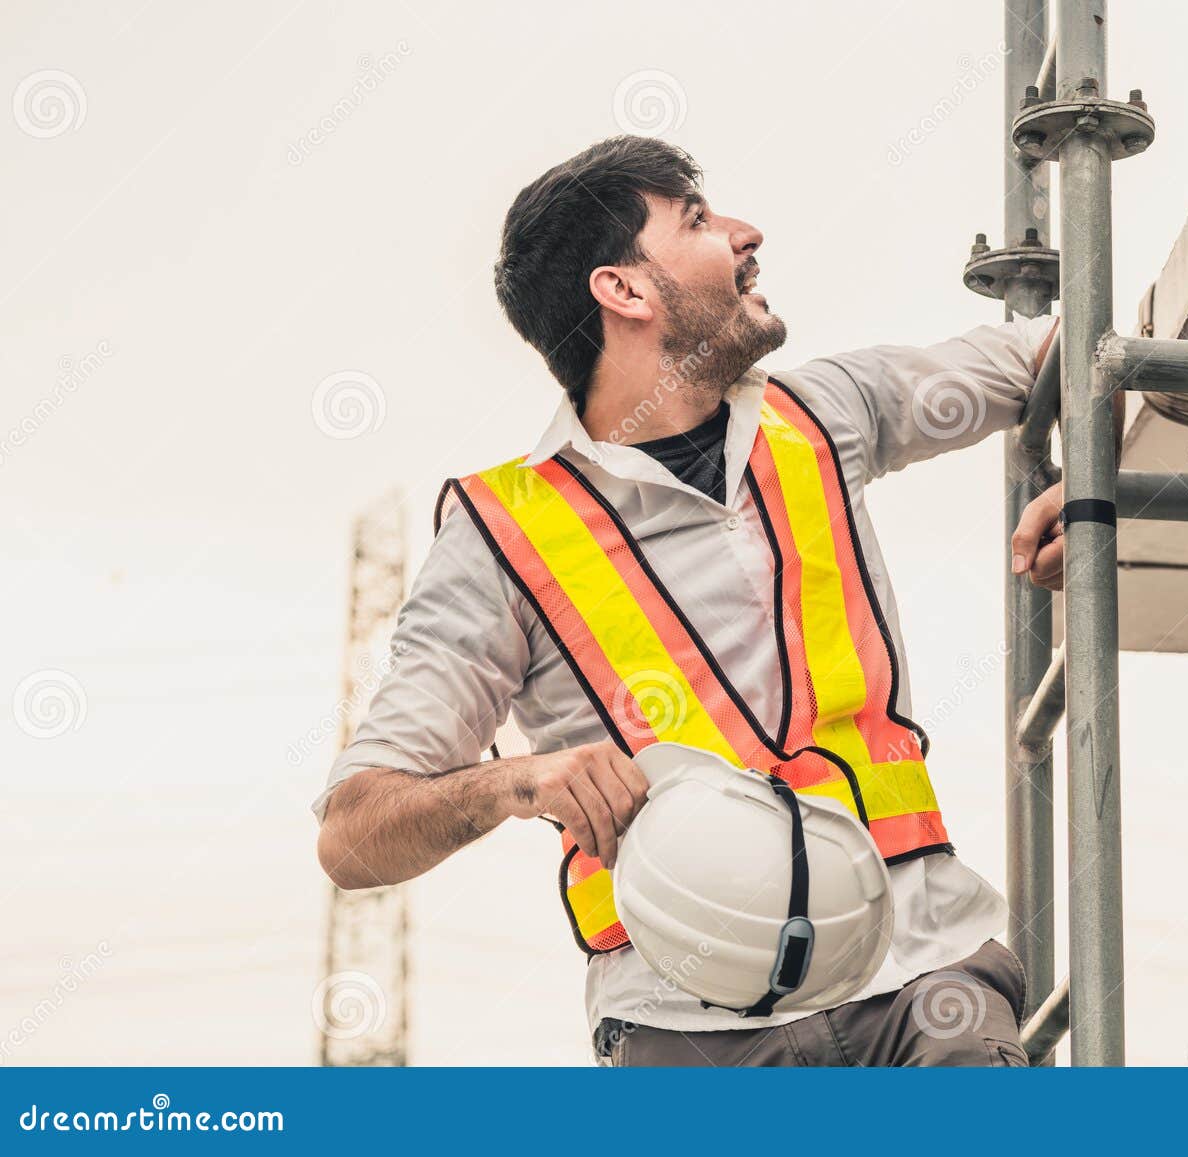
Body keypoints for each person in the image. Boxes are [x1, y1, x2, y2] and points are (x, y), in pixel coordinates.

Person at [313, 133, 1117, 1066]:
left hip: (923, 984)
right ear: (625, 291)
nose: (746, 235)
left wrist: (1110, 484)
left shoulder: (827, 411)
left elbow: (1082, 355)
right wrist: (517, 782)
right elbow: (353, 835)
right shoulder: (500, 535)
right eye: (696, 220)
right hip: (686, 1035)